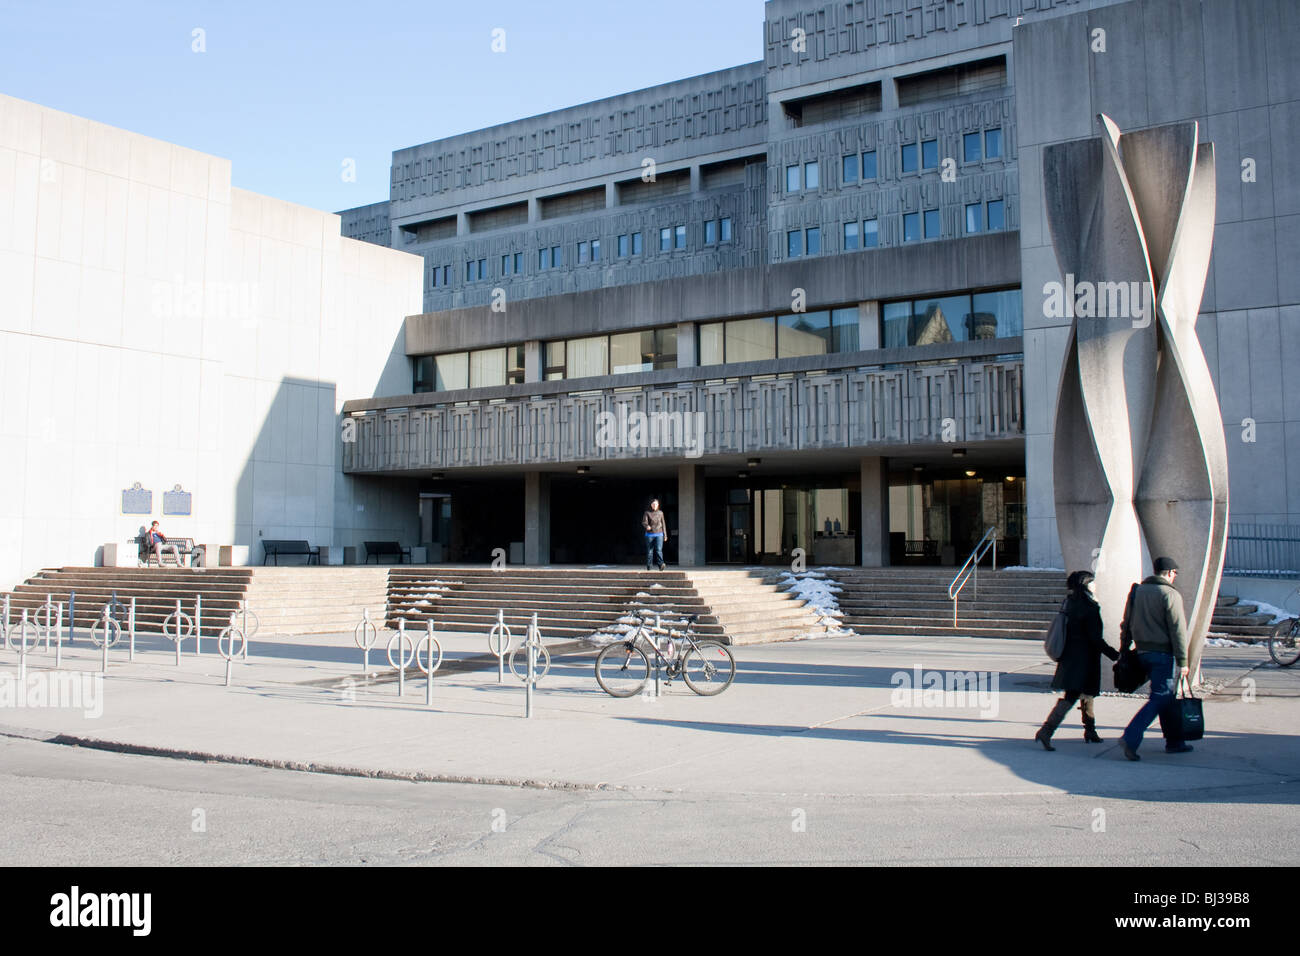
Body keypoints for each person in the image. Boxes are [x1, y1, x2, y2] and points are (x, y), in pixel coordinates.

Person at [1035, 569, 1118, 750]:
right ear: (1086, 584)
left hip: (1071, 657)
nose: (1095, 585)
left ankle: (1090, 731)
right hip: (1084, 659)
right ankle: (1047, 730)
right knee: (1073, 696)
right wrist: (1114, 655)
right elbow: (1095, 638)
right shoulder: (1089, 607)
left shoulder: (1070, 603)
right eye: (1092, 582)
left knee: (1085, 693)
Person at [1120, 556, 1192, 761]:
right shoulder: (1169, 594)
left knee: (1166, 698)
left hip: (1141, 652)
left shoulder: (1138, 591)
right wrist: (1183, 661)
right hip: (1162, 654)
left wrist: (1124, 649)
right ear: (1169, 573)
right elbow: (1178, 630)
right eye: (1175, 573)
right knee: (1160, 697)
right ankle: (1131, 736)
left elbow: (1126, 623)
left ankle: (1175, 742)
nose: (1175, 577)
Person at [642, 498, 667, 571]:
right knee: (650, 551)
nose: (654, 505)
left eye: (656, 504)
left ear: (658, 505)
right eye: (653, 504)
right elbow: (644, 522)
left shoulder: (660, 513)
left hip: (659, 534)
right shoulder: (647, 513)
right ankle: (649, 566)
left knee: (659, 550)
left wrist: (665, 535)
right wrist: (647, 526)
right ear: (651, 505)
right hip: (649, 535)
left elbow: (663, 524)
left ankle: (661, 565)